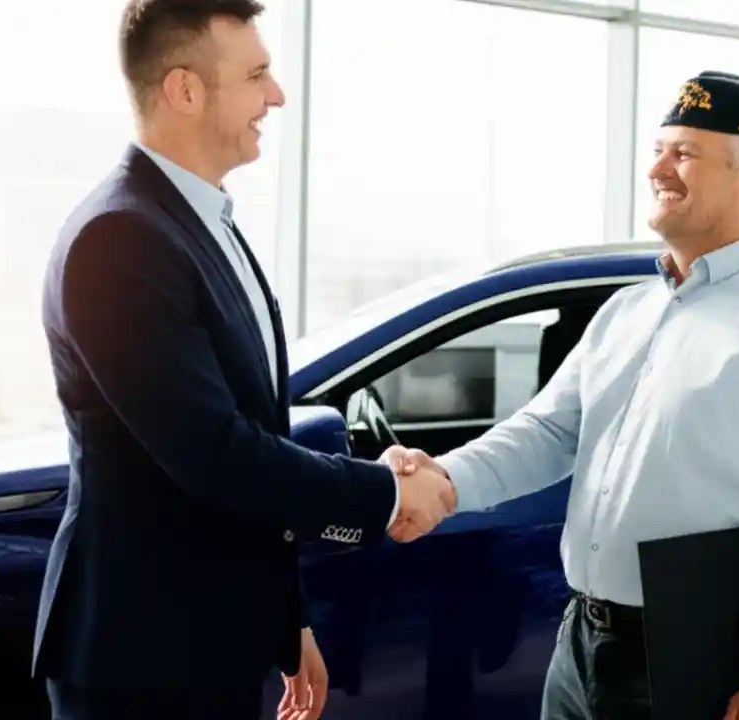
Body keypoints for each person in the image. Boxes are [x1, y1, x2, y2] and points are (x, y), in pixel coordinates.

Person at [388, 71, 739, 720]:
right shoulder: (627, 310)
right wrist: (444, 481)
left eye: (683, 153)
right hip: (585, 639)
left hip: (699, 651)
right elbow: (548, 432)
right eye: (657, 150)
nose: (658, 169)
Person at [33, 2, 454, 718]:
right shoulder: (120, 239)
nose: (277, 96)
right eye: (256, 75)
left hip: (203, 640)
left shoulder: (198, 222)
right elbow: (215, 454)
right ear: (185, 91)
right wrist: (383, 495)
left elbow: (253, 426)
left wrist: (285, 620)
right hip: (141, 659)